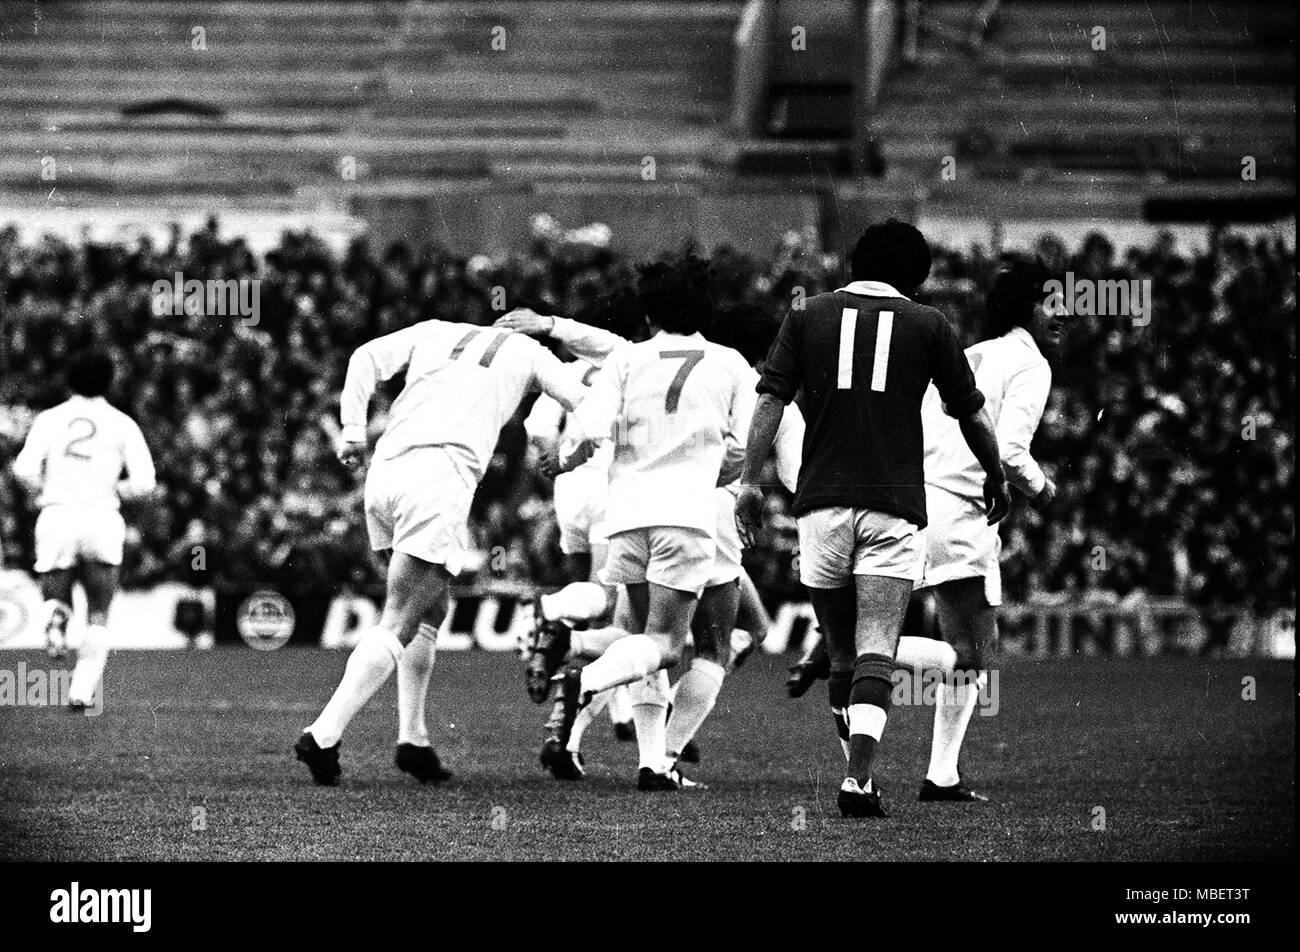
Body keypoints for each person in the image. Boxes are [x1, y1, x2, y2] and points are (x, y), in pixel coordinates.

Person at [735, 219, 1011, 819]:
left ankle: (855, 772)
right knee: (877, 649)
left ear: (855, 264)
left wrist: (750, 483)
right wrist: (996, 473)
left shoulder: (808, 315)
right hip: (894, 503)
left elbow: (769, 400)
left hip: (820, 504)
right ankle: (859, 780)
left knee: (840, 653)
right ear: (918, 274)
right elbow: (972, 414)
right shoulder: (930, 324)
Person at [294, 318, 584, 786]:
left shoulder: (435, 329)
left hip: (384, 474)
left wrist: (351, 431)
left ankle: (414, 741)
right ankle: (323, 734)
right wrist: (578, 448)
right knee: (401, 615)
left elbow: (364, 356)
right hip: (438, 478)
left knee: (432, 606)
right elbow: (584, 399)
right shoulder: (532, 353)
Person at [11, 348, 156, 710]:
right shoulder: (123, 423)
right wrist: (115, 488)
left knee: (55, 595)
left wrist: (44, 490)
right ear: (110, 380)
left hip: (58, 515)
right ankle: (81, 690)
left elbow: (23, 470)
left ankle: (54, 619)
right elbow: (146, 482)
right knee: (99, 613)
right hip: (101, 519)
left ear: (69, 379)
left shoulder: (49, 419)